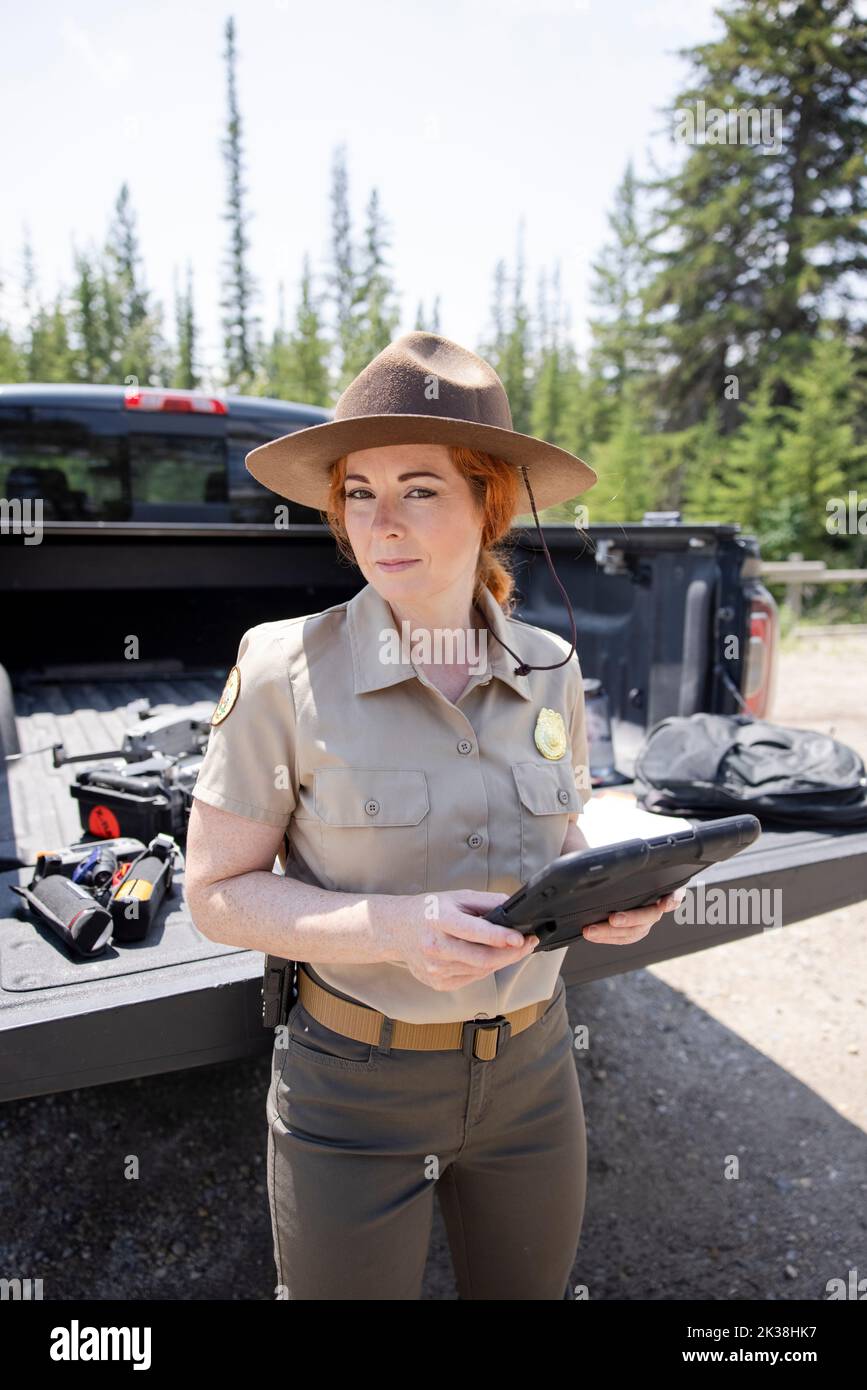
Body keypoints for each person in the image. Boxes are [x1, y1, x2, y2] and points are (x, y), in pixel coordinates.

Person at [184, 331, 683, 1300]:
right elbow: (216, 894)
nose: (382, 521)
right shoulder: (283, 666)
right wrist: (392, 928)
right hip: (353, 1086)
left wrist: (610, 893)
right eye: (358, 492)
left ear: (489, 502)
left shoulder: (551, 664)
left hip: (537, 1074)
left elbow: (561, 835)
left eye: (419, 488)